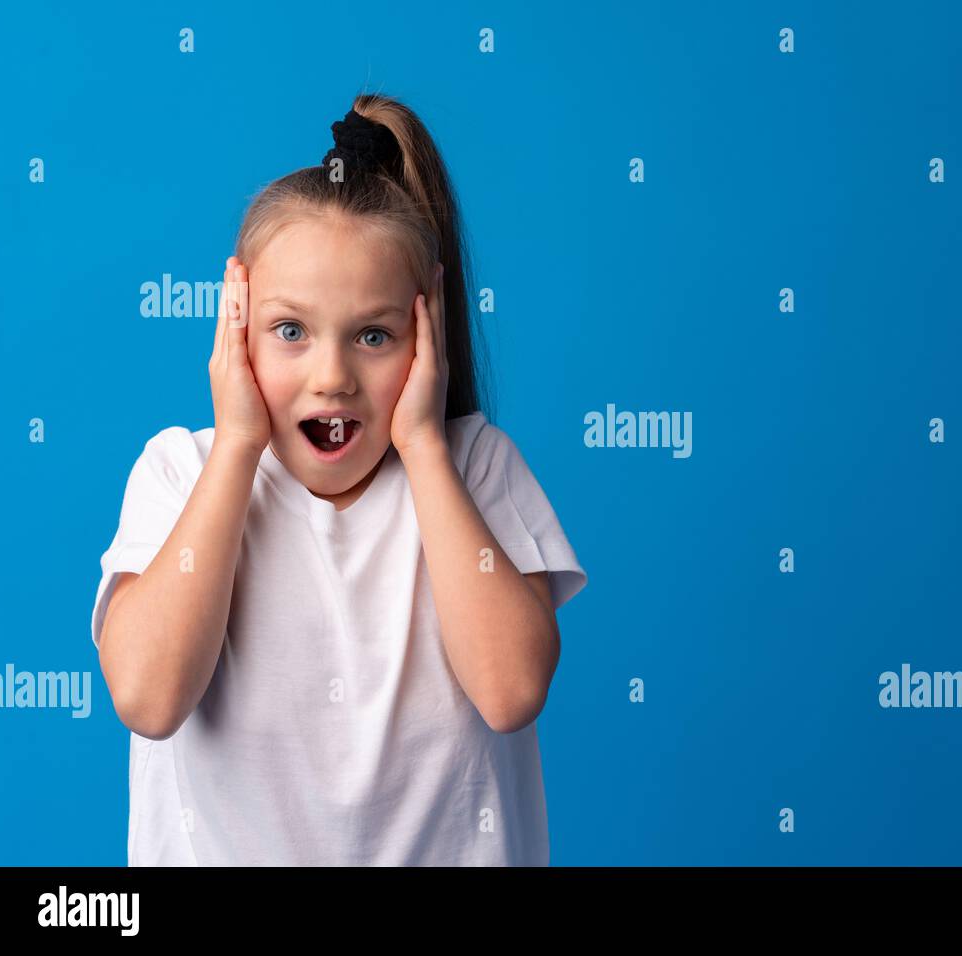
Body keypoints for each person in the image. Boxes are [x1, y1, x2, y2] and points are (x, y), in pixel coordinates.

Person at [89, 93, 588, 866]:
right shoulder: (181, 473)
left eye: (374, 336)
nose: (332, 377)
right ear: (236, 323)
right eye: (290, 331)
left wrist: (423, 443)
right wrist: (237, 449)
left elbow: (511, 690)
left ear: (428, 333)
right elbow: (149, 700)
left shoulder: (474, 469)